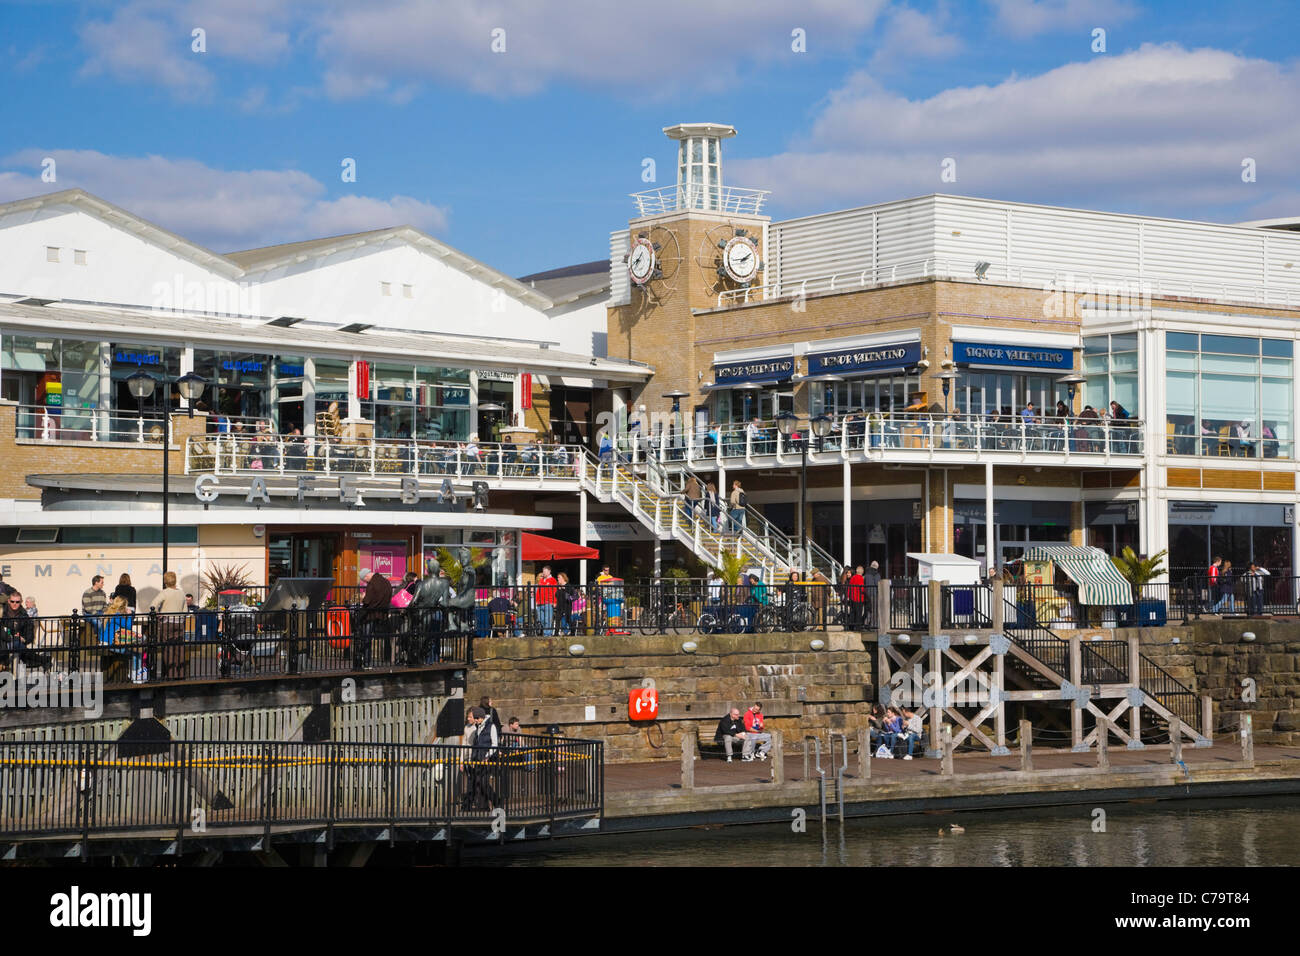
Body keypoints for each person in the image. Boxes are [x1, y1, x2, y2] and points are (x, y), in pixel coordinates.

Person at [149, 571, 188, 680]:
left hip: (167, 622)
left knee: (168, 649)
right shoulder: (181, 593)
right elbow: (185, 610)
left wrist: (158, 614)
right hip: (179, 622)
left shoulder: (165, 592)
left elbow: (153, 605)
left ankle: (171, 674)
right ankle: (181, 674)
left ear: (165, 581)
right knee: (179, 648)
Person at [358, 568, 392, 668]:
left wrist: (363, 598)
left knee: (366, 639)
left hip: (370, 614)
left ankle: (367, 663)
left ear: (366, 576)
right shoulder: (386, 582)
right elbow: (389, 596)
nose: (365, 582)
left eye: (364, 580)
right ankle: (385, 659)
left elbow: (368, 601)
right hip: (383, 613)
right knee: (384, 639)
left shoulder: (372, 584)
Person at [535, 564, 558, 636]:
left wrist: (554, 602)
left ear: (549, 571)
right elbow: (538, 591)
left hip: (548, 602)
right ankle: (546, 632)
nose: (543, 573)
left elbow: (555, 591)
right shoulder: (541, 580)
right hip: (540, 603)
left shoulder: (553, 580)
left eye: (545, 571)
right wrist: (536, 601)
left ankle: (547, 634)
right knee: (541, 620)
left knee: (547, 620)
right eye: (543, 571)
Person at [863, 560, 882, 628]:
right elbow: (878, 584)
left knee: (868, 609)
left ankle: (866, 623)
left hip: (867, 593)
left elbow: (864, 583)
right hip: (874, 594)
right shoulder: (876, 574)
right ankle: (874, 624)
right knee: (874, 609)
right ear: (876, 567)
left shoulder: (866, 574)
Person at [847, 565, 866, 630]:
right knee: (859, 613)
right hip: (859, 598)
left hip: (852, 598)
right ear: (862, 572)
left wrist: (849, 596)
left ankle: (851, 626)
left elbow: (849, 588)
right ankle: (858, 627)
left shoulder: (853, 578)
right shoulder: (861, 578)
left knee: (852, 613)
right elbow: (862, 589)